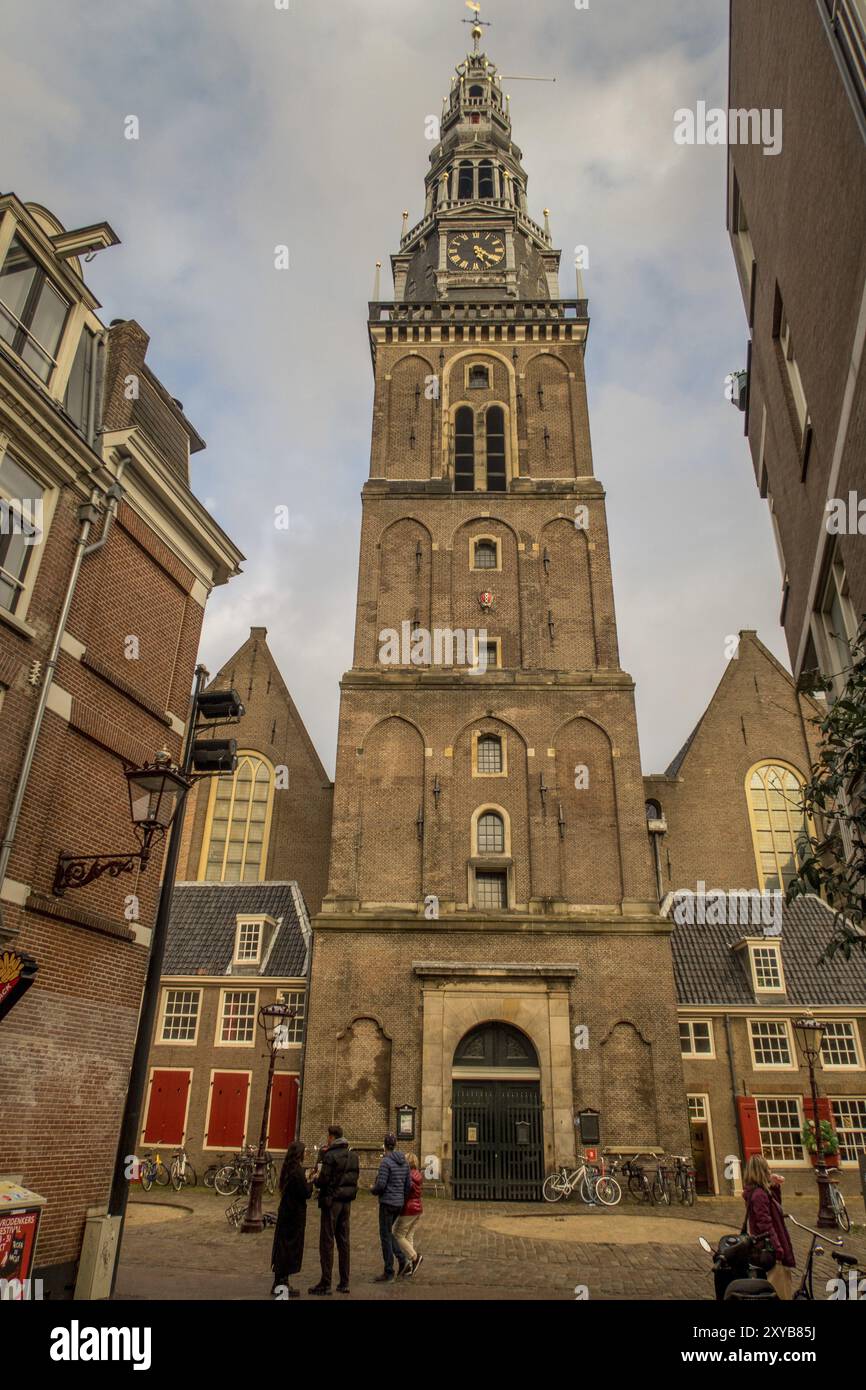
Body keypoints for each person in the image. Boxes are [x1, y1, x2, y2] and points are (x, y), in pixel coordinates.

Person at [308, 1124, 359, 1296]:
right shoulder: (353, 1156)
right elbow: (353, 1179)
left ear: (331, 1137)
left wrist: (315, 1179)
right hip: (346, 1203)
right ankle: (344, 1282)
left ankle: (326, 1282)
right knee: (344, 1242)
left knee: (327, 1241)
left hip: (331, 1202)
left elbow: (323, 1181)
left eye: (328, 1136)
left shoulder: (330, 1156)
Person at [743, 1153, 796, 1299]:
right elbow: (765, 1224)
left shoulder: (757, 1191)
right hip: (770, 1249)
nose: (770, 1172)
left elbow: (775, 1208)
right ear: (761, 1171)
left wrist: (774, 1186)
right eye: (768, 1169)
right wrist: (778, 1249)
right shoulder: (759, 1195)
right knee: (780, 1292)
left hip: (768, 1246)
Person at [271, 1141, 313, 1299]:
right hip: (294, 1214)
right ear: (299, 1154)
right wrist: (312, 1182)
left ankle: (278, 1283)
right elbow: (305, 1192)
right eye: (304, 1152)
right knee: (289, 1249)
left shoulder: (288, 1169)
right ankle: (282, 1287)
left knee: (282, 1246)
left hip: (286, 1212)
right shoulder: (297, 1172)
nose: (306, 1154)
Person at [371, 1134, 414, 1282]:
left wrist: (373, 1189)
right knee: (389, 1233)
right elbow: (409, 1185)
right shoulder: (405, 1162)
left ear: (384, 1145)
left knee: (385, 1236)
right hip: (398, 1203)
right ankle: (402, 1261)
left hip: (387, 1204)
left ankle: (389, 1271)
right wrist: (402, 1198)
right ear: (395, 1145)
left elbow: (381, 1185)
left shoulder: (386, 1162)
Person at [393, 1151, 424, 1277]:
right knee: (409, 1236)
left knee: (397, 1235)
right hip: (418, 1209)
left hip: (409, 1209)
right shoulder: (418, 1175)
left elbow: (405, 1191)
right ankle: (409, 1267)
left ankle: (415, 1257)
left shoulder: (408, 1176)